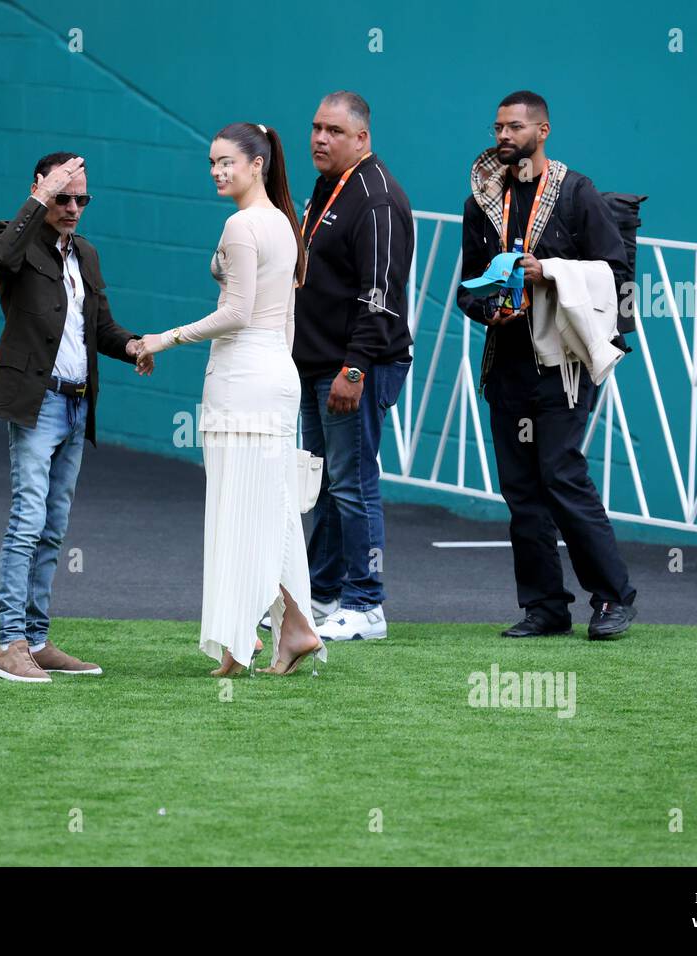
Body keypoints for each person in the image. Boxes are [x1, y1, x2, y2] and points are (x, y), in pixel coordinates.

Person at [137, 123, 326, 677]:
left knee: (240, 507)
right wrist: (279, 368)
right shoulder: (285, 225)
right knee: (269, 507)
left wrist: (163, 338)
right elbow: (279, 317)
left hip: (245, 375)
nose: (218, 171)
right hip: (272, 373)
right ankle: (282, 631)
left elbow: (237, 313)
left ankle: (250, 641)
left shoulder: (244, 225)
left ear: (257, 164)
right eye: (213, 163)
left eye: (227, 162)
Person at [456, 90, 637, 640]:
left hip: (564, 363)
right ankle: (544, 606)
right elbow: (467, 290)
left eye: (515, 127)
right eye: (498, 128)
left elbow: (616, 273)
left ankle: (611, 599)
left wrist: (550, 271)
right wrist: (492, 309)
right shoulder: (481, 203)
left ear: (543, 130)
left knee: (561, 475)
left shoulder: (577, 193)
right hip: (507, 361)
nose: (504, 137)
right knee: (520, 490)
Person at [0, 153, 151, 683]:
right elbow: (3, 256)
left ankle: (36, 639)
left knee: (53, 528)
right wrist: (41, 196)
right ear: (41, 189)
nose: (74, 206)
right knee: (27, 521)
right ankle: (8, 644)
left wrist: (133, 346)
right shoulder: (11, 237)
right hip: (38, 402)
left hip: (79, 405)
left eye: (82, 198)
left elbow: (99, 328)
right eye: (63, 196)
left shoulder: (86, 254)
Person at [285, 91, 414, 643]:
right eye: (315, 127)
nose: (319, 138)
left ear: (361, 138)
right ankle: (322, 592)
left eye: (333, 130)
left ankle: (366, 604)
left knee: (353, 485)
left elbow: (380, 295)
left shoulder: (378, 198)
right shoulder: (328, 185)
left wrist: (355, 369)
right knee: (326, 484)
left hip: (355, 368)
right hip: (317, 365)